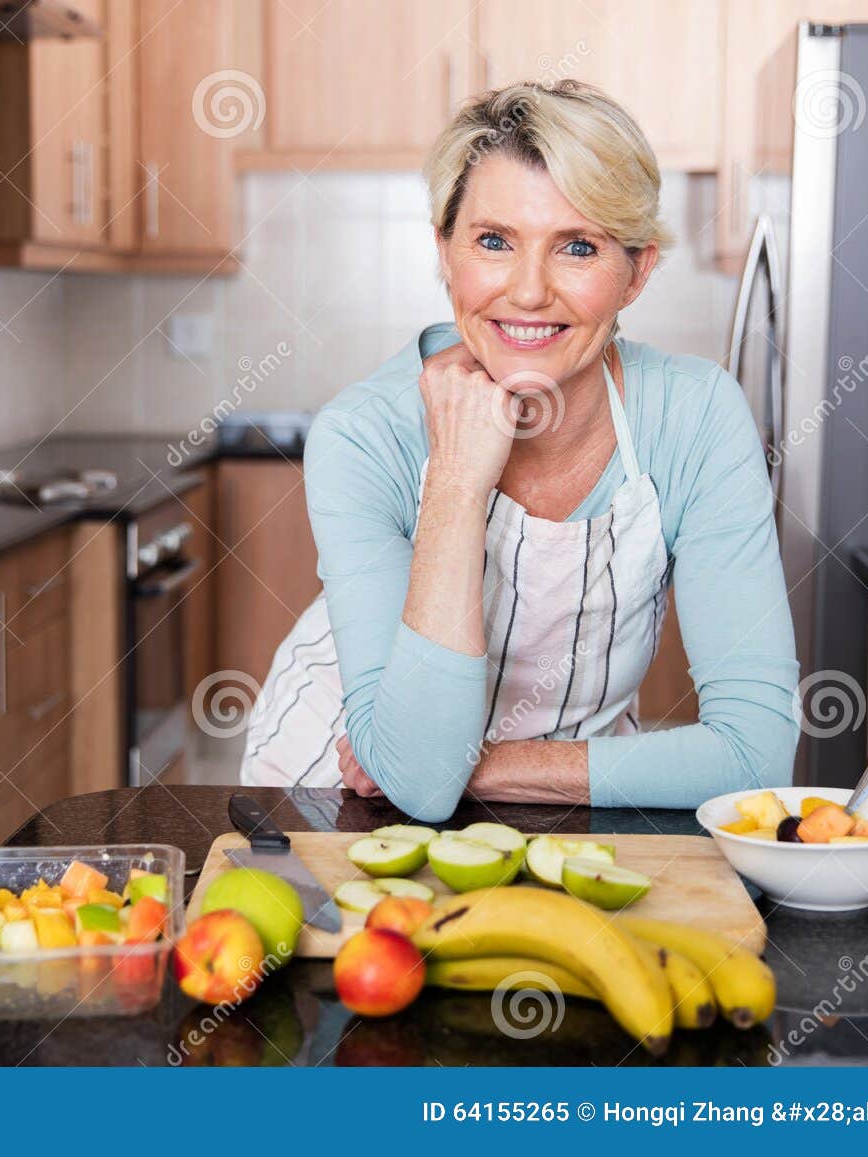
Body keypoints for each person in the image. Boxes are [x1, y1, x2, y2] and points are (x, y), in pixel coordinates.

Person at [239, 81, 798, 823]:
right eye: (494, 241)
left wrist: (473, 762)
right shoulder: (364, 435)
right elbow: (412, 786)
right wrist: (457, 481)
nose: (529, 292)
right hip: (334, 795)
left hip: (555, 793)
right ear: (445, 253)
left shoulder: (696, 418)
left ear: (638, 271)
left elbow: (756, 754)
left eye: (577, 247)